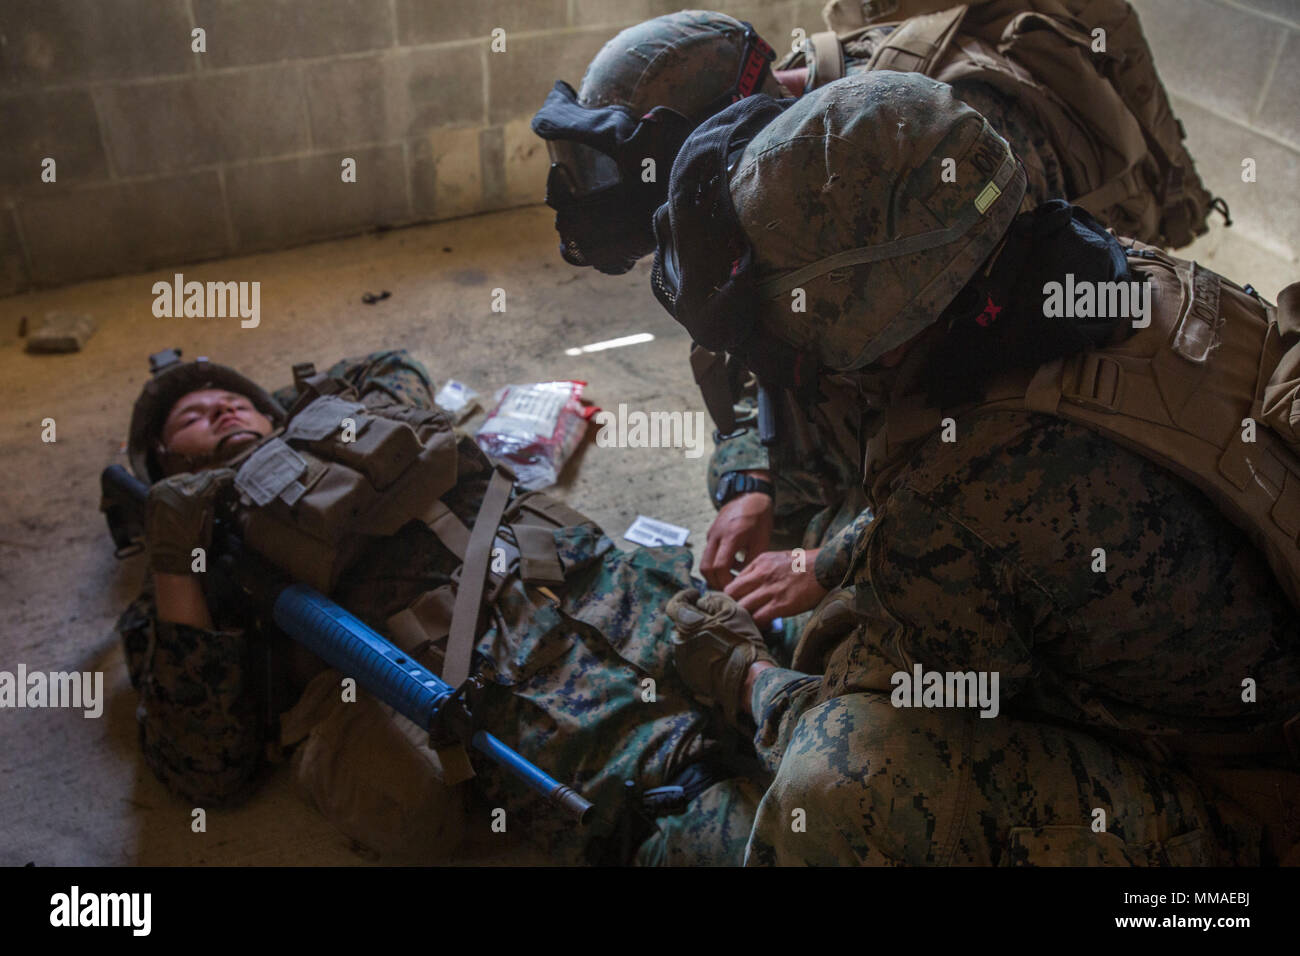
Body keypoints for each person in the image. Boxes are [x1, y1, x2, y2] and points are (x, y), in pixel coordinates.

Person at [654, 71, 1300, 865]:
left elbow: (946, 692)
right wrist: (833, 559)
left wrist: (746, 678)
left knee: (843, 778)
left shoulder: (954, 495)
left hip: (1256, 809)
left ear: (866, 310)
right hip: (1258, 666)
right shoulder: (1102, 271)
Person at [532, 6, 1223, 658]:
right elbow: (752, 332)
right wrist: (751, 477)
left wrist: (835, 561)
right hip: (929, 360)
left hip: (1031, 399)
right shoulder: (779, 148)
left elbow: (1000, 432)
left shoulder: (947, 150)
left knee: (865, 639)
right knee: (783, 502)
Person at [115, 348, 764, 866]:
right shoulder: (203, 561)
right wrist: (176, 555)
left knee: (772, 684)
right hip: (494, 676)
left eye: (235, 403)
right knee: (683, 796)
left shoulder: (351, 427)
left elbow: (393, 364)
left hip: (591, 584)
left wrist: (297, 417)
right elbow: (205, 769)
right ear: (165, 464)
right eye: (193, 419)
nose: (223, 413)